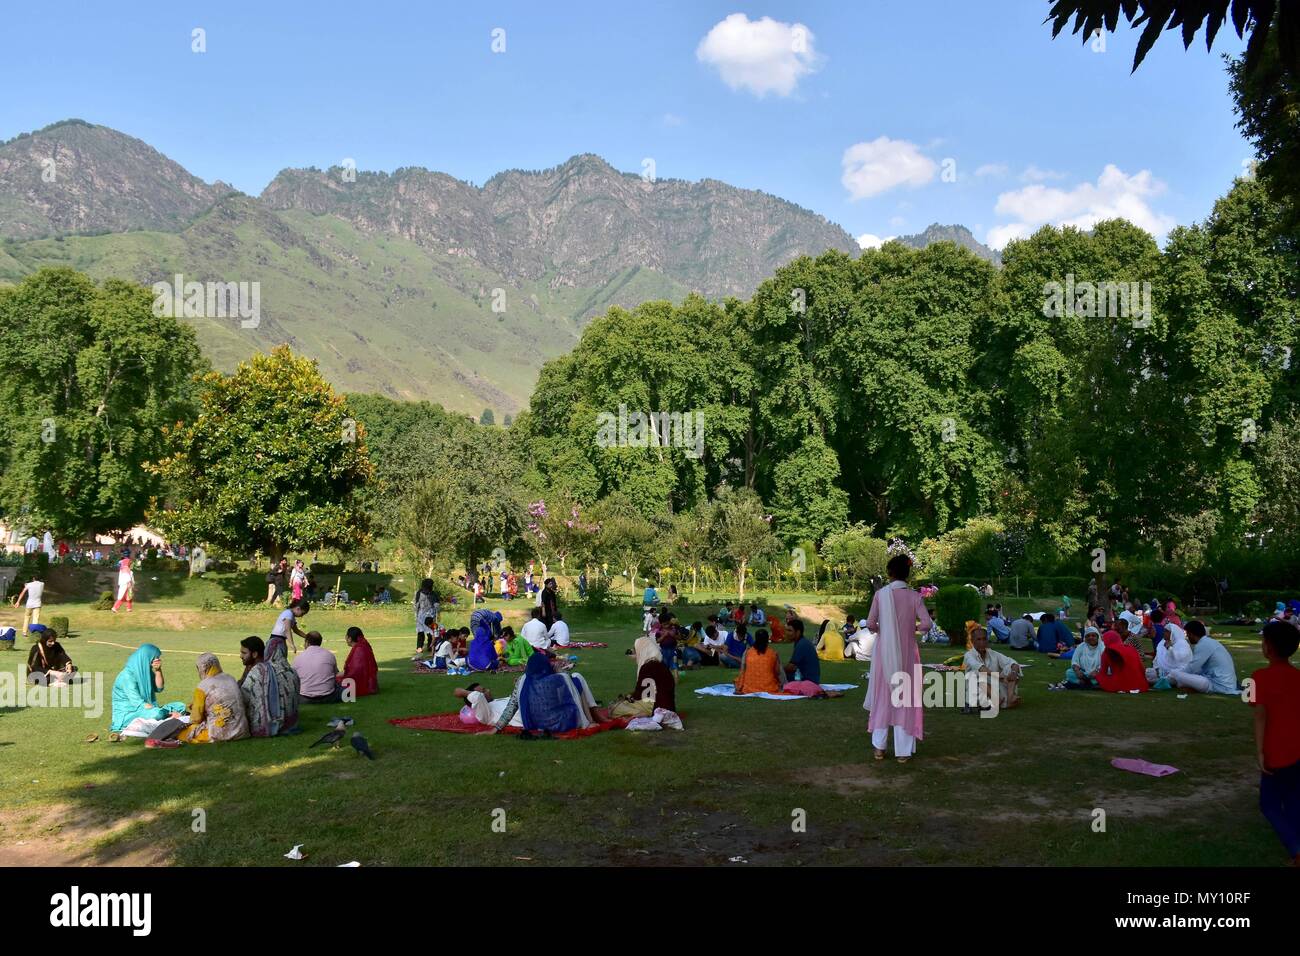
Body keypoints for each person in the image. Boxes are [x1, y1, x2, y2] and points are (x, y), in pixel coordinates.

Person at [864, 554, 932, 762]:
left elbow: (870, 623)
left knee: (883, 696)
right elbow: (928, 624)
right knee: (905, 698)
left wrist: (883, 629)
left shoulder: (881, 595)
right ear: (907, 574)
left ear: (890, 573)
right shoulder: (914, 597)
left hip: (884, 652)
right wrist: (913, 628)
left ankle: (879, 747)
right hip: (907, 653)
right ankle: (903, 752)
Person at [1249, 621, 1300, 865]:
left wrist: (1259, 750)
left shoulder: (1257, 677)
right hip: (1297, 750)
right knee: (1292, 800)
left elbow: (1258, 714)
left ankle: (1296, 849)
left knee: (1269, 804)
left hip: (1276, 750)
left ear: (1267, 647)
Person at [492, 651, 601, 737]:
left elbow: (512, 706)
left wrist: (496, 728)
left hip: (535, 723)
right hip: (562, 722)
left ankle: (593, 718)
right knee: (577, 679)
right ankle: (589, 720)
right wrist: (560, 671)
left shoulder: (522, 680)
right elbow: (572, 688)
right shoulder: (557, 678)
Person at [110, 644, 185, 737]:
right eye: (155, 657)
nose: (157, 660)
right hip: (129, 714)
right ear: (146, 658)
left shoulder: (146, 671)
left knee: (180, 706)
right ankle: (165, 717)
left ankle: (163, 717)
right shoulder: (127, 676)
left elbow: (159, 688)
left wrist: (158, 670)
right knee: (157, 713)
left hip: (146, 708)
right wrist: (168, 713)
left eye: (158, 657)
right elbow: (138, 704)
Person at [179, 653, 250, 743]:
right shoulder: (230, 678)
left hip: (218, 734)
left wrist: (195, 709)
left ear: (203, 668)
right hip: (242, 731)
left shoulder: (202, 686)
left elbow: (195, 719)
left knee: (181, 731)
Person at [1167, 620, 1239, 695]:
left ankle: (1162, 682)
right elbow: (1197, 669)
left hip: (1218, 685)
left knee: (1175, 673)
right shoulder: (1208, 642)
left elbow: (1192, 668)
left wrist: (1174, 673)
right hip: (1223, 683)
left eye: (1187, 634)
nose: (1187, 637)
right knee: (1178, 673)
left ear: (1191, 634)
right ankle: (1168, 681)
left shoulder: (1203, 645)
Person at [239, 636, 290, 737]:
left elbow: (241, 698)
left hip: (261, 723)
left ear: (254, 654)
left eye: (244, 653)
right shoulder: (252, 668)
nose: (241, 656)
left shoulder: (257, 671)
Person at [962, 626, 1021, 709]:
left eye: (984, 639)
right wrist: (1000, 676)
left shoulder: (993, 654)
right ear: (972, 641)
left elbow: (1013, 663)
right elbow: (981, 668)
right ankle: (999, 701)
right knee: (977, 676)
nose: (982, 642)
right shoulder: (968, 655)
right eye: (978, 639)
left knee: (1010, 668)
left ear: (987, 640)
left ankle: (1009, 698)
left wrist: (1013, 673)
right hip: (977, 690)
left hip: (994, 687)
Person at [293, 631, 341, 704]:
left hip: (305, 698)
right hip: (328, 697)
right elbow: (335, 674)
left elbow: (294, 679)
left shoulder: (298, 658)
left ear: (307, 643)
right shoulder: (329, 655)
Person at [783, 619, 827, 696]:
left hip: (808, 680)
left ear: (798, 632)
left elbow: (791, 666)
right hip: (809, 678)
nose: (786, 633)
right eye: (786, 630)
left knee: (778, 675)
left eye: (790, 630)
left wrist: (778, 670)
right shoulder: (802, 642)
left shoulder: (802, 644)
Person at [734, 628, 784, 695]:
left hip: (749, 688)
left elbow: (742, 671)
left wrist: (740, 687)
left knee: (737, 680)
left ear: (756, 639)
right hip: (769, 688)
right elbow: (778, 673)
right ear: (767, 639)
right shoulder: (773, 653)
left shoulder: (748, 652)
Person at [633, 635, 677, 711]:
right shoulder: (661, 665)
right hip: (669, 707)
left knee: (618, 709)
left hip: (657, 709)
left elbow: (642, 694)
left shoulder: (648, 667)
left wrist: (629, 698)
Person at [1146, 616, 1192, 684]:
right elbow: (1157, 659)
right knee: (1148, 672)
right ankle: (1158, 680)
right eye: (1164, 631)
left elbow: (1180, 658)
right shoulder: (1162, 643)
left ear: (1172, 633)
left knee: (1174, 674)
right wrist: (1157, 669)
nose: (1163, 633)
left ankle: (1156, 681)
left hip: (1178, 670)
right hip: (1163, 671)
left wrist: (1170, 648)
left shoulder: (1182, 643)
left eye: (1166, 631)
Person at [339, 626, 378, 697]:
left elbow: (355, 671)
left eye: (346, 637)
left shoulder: (358, 649)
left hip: (360, 682)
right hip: (369, 683)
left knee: (334, 680)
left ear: (350, 638)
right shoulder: (364, 646)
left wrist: (342, 674)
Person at [413, 578, 440, 657]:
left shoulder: (432, 593)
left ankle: (426, 646)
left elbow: (436, 604)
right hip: (423, 614)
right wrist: (416, 613)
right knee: (423, 632)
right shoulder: (421, 593)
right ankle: (422, 647)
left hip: (427, 614)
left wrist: (437, 613)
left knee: (428, 632)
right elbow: (417, 604)